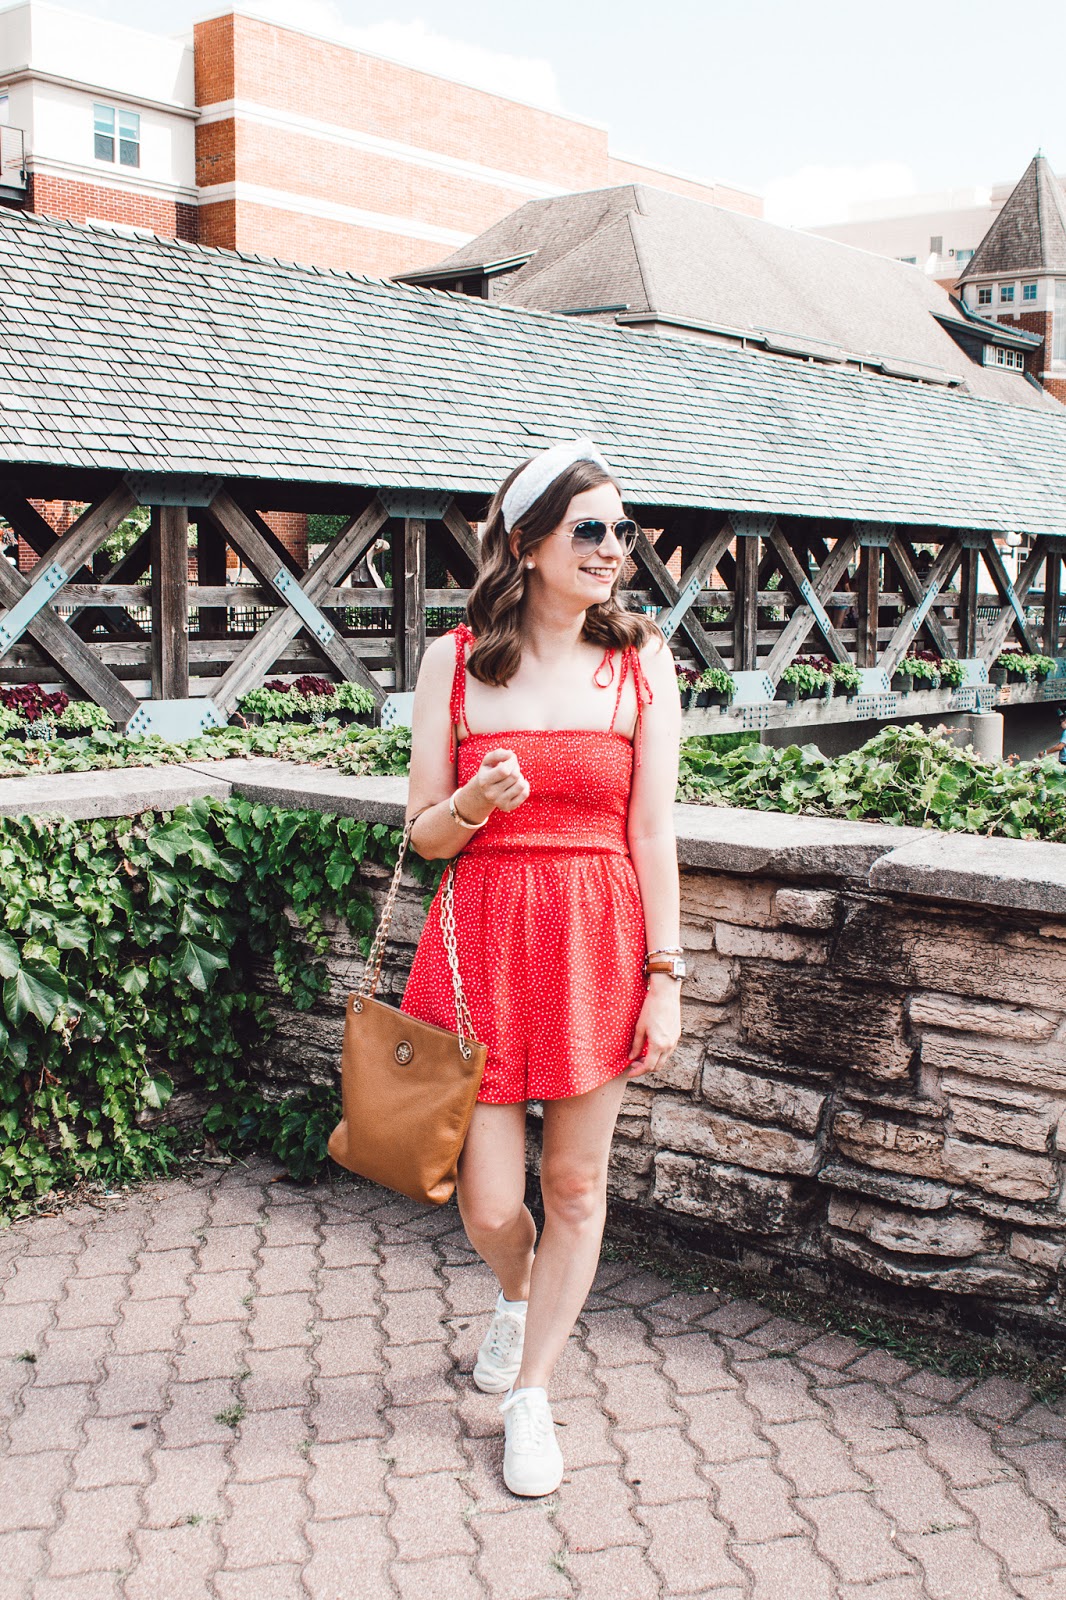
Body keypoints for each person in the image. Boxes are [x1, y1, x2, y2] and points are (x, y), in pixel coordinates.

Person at [400, 438, 683, 1498]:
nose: (613, 548)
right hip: (480, 942)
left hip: (596, 940)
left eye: (623, 529)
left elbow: (652, 831)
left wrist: (665, 974)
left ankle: (530, 1395)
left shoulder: (641, 659)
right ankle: (518, 1295)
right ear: (524, 543)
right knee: (485, 1201)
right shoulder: (455, 660)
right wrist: (474, 803)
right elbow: (423, 834)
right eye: (589, 529)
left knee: (572, 1183)